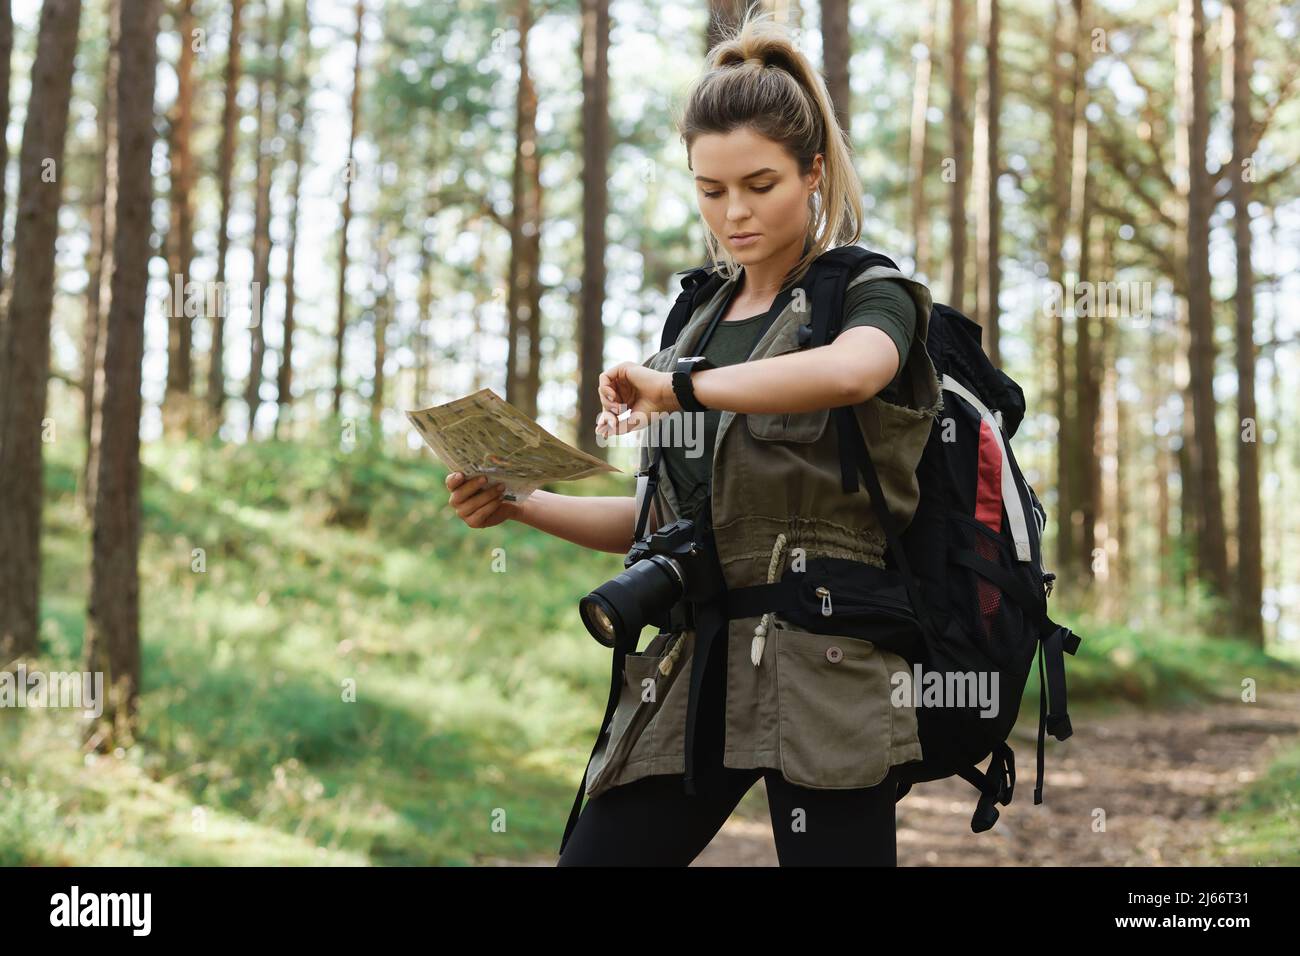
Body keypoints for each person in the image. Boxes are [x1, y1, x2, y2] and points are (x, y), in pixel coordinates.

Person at [446, 9, 942, 866]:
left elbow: (855, 370)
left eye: (760, 185)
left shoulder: (869, 287)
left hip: (826, 664)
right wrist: (521, 503)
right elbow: (653, 521)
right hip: (693, 662)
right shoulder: (694, 321)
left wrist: (679, 388)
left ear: (813, 172)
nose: (734, 214)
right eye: (711, 191)